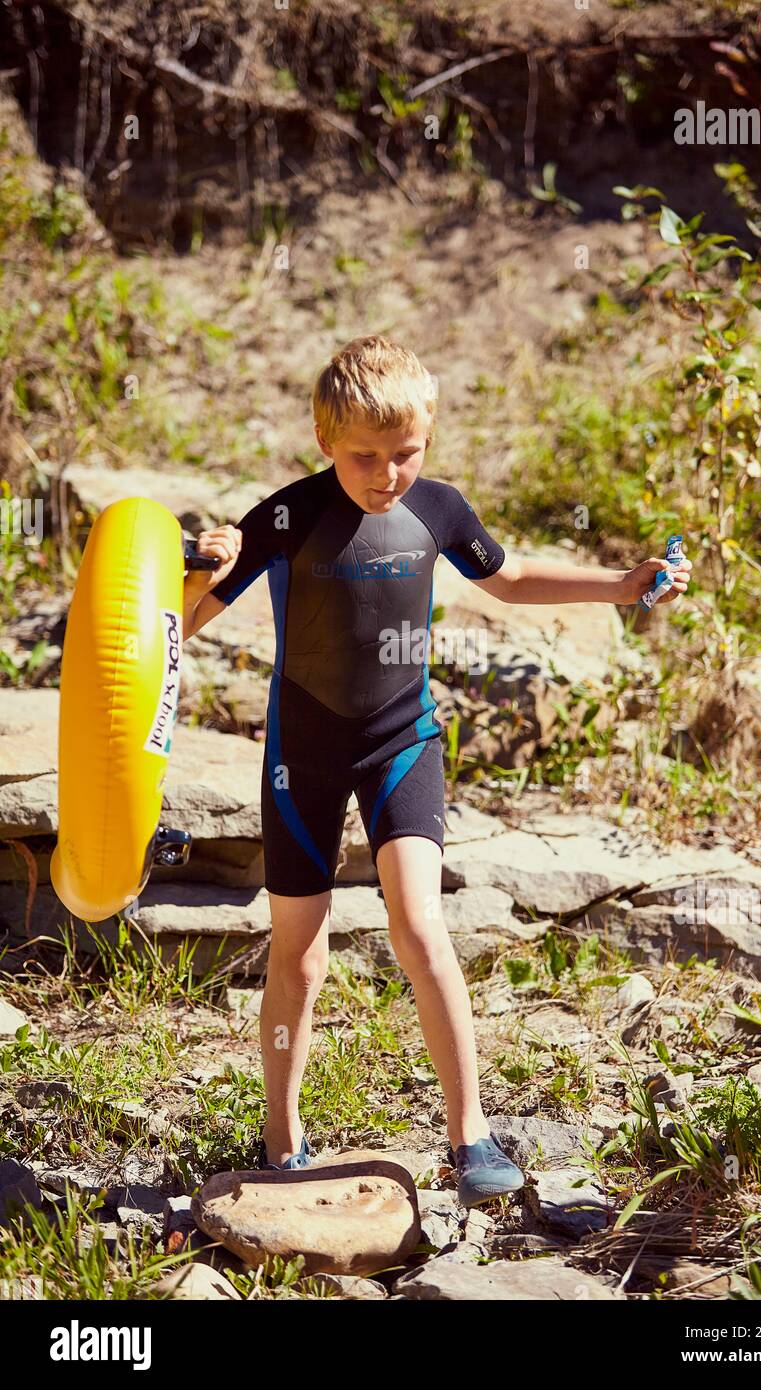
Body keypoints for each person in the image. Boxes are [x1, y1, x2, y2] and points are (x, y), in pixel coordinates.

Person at [182, 335, 692, 1206]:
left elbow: (514, 575)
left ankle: (470, 1137)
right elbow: (178, 624)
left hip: (401, 741)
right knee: (300, 957)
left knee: (420, 926)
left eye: (405, 452)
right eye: (364, 456)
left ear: (429, 435)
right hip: (300, 754)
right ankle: (282, 1141)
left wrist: (622, 583)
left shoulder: (440, 509)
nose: (386, 474)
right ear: (322, 438)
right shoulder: (287, 515)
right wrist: (196, 566)